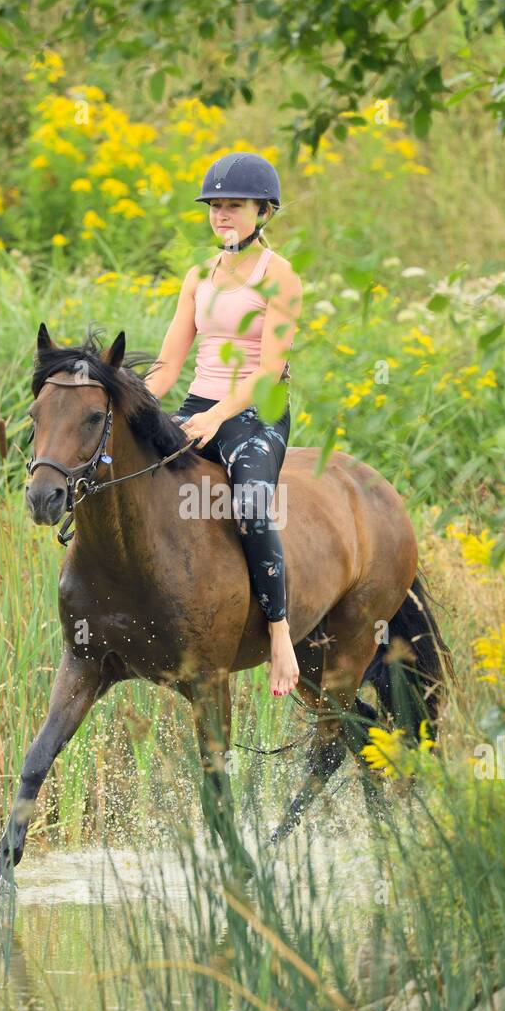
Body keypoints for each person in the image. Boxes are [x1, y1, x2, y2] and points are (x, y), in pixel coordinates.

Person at [145, 152, 302, 697]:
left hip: (255, 413)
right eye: (215, 206)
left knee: (253, 503)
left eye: (233, 206)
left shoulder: (279, 277)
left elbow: (267, 372)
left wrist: (215, 416)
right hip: (198, 404)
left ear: (263, 210)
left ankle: (279, 631)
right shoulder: (199, 275)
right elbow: (167, 366)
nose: (221, 215)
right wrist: (133, 404)